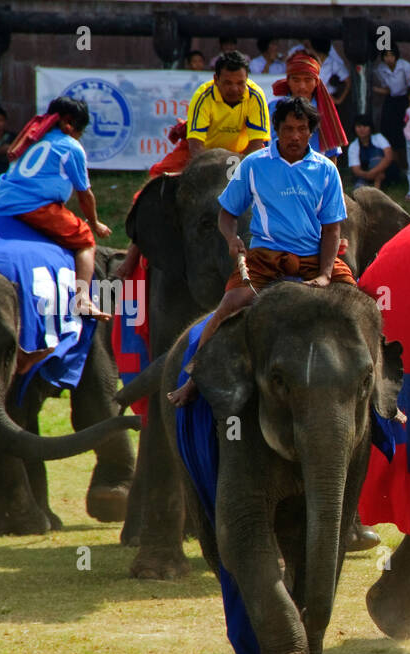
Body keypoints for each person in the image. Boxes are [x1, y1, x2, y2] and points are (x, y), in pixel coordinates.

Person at [167, 97, 353, 408]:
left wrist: (324, 273)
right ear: (276, 131)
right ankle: (194, 376)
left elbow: (332, 229)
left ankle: (377, 394)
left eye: (302, 129)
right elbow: (226, 214)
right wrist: (231, 238)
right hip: (265, 258)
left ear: (311, 133)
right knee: (230, 304)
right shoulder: (254, 165)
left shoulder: (326, 171)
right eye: (288, 129)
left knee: (359, 304)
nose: (295, 135)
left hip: (314, 259)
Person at [115, 51, 271, 279]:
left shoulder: (256, 95)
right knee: (154, 185)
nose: (235, 88)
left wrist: (235, 170)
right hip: (202, 154)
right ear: (216, 79)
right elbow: (196, 145)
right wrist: (210, 172)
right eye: (227, 83)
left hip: (241, 155)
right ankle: (130, 260)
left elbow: (257, 144)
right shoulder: (203, 95)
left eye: (240, 83)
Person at [0, 97, 112, 316]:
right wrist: (94, 223)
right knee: (85, 240)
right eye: (80, 131)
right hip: (37, 208)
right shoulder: (70, 146)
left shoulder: (30, 138)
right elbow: (85, 195)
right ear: (70, 124)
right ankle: (82, 298)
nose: (79, 136)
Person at [268, 51, 347, 160]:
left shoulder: (324, 107)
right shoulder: (274, 106)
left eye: (308, 80)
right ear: (288, 81)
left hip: (314, 169)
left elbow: (332, 152)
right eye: (296, 80)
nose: (302, 86)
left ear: (316, 81)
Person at [372, 43, 410, 163]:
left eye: (391, 55)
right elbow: (387, 89)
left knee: (404, 130)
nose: (389, 58)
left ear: (396, 56)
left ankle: (406, 163)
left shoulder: (406, 66)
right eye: (386, 56)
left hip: (405, 100)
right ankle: (394, 163)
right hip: (390, 100)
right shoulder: (380, 69)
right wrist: (374, 89)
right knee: (389, 130)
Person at [348, 114, 395, 190]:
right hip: (364, 173)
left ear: (370, 128)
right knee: (358, 188)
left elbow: (389, 157)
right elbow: (355, 169)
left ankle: (377, 186)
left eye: (365, 126)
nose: (362, 129)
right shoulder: (353, 146)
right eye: (359, 126)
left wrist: (373, 172)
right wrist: (367, 175)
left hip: (382, 172)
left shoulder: (379, 137)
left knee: (376, 157)